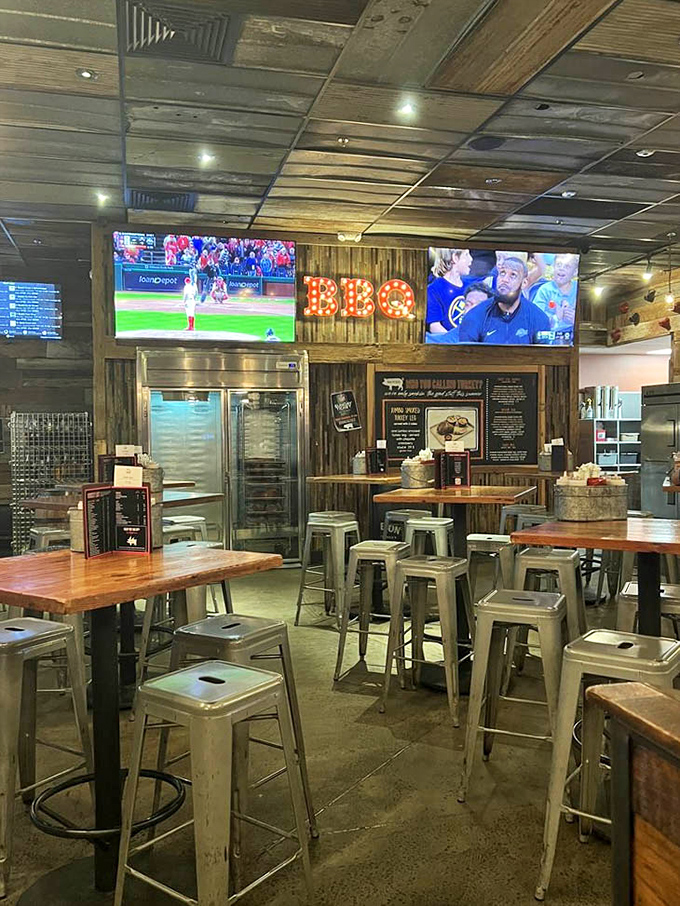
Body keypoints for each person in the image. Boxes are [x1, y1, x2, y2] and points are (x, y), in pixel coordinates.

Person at [458, 256, 551, 344]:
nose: (505, 280)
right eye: (502, 273)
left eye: (513, 275)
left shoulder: (538, 319)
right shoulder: (475, 316)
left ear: (524, 283)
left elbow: (544, 358)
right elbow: (466, 357)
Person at [426, 283, 494, 343]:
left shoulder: (498, 336)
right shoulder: (448, 340)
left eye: (479, 305)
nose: (471, 309)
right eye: (468, 304)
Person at [426, 248, 474, 333]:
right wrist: (456, 343)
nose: (471, 259)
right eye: (466, 255)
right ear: (455, 258)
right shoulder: (434, 289)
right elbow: (434, 327)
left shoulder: (470, 286)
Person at [532, 253, 579, 332]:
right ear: (553, 267)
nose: (561, 269)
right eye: (558, 264)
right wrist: (556, 318)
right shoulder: (545, 290)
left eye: (567, 266)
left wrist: (577, 320)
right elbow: (535, 319)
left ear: (575, 272)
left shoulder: (578, 289)